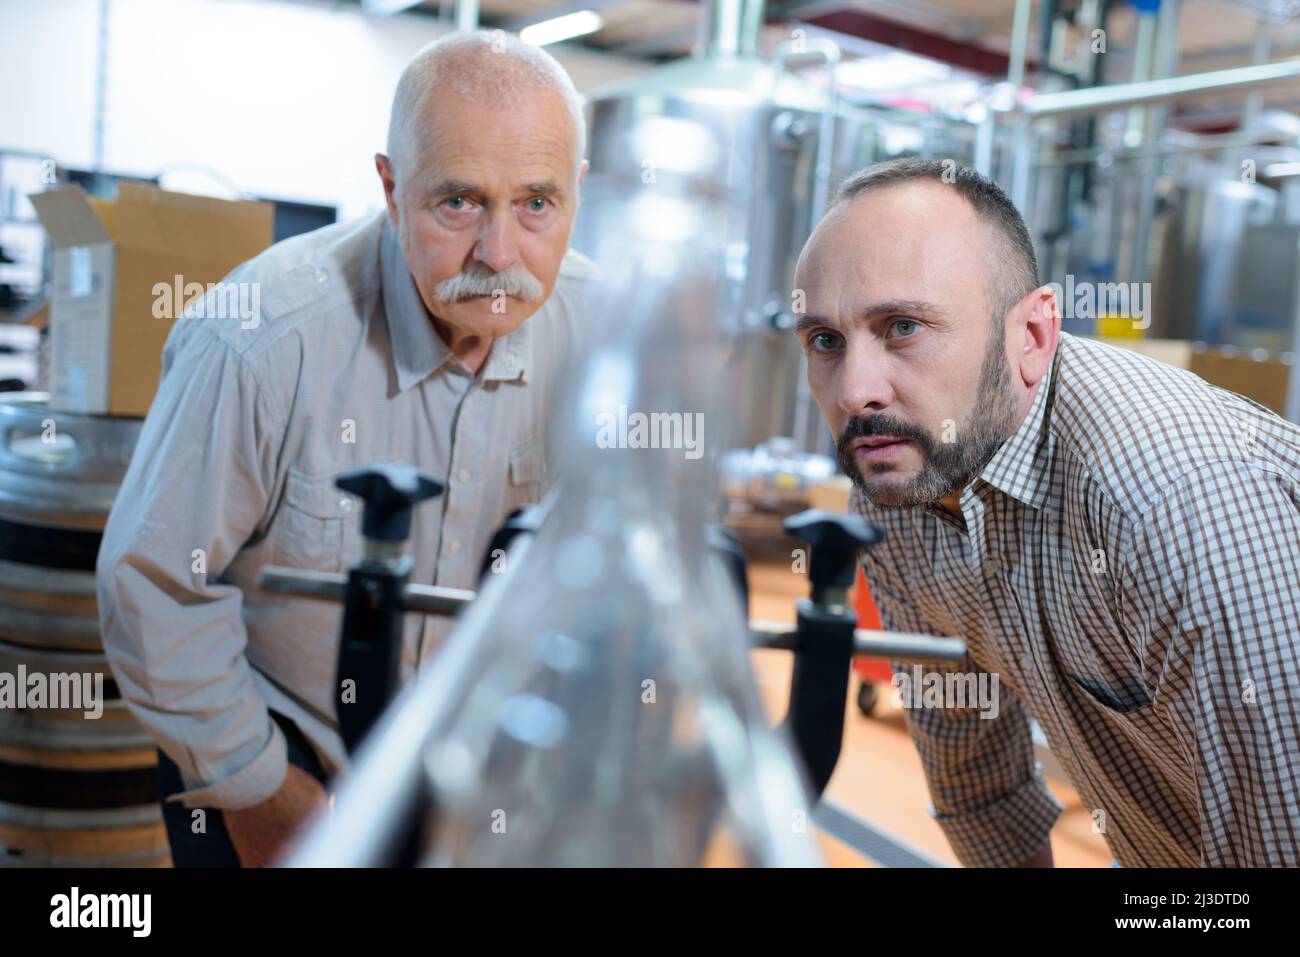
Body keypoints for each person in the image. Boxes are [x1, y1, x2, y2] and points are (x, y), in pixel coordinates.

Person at [96, 30, 596, 867]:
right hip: (276, 744)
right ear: (392, 190)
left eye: (537, 204)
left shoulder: (608, 342)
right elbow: (154, 582)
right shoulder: (260, 338)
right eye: (460, 202)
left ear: (576, 193)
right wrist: (257, 785)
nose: (499, 253)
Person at [792, 156, 1300, 867]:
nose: (854, 391)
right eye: (825, 341)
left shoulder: (1163, 495)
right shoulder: (899, 492)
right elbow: (977, 782)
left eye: (903, 326)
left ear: (1030, 336)